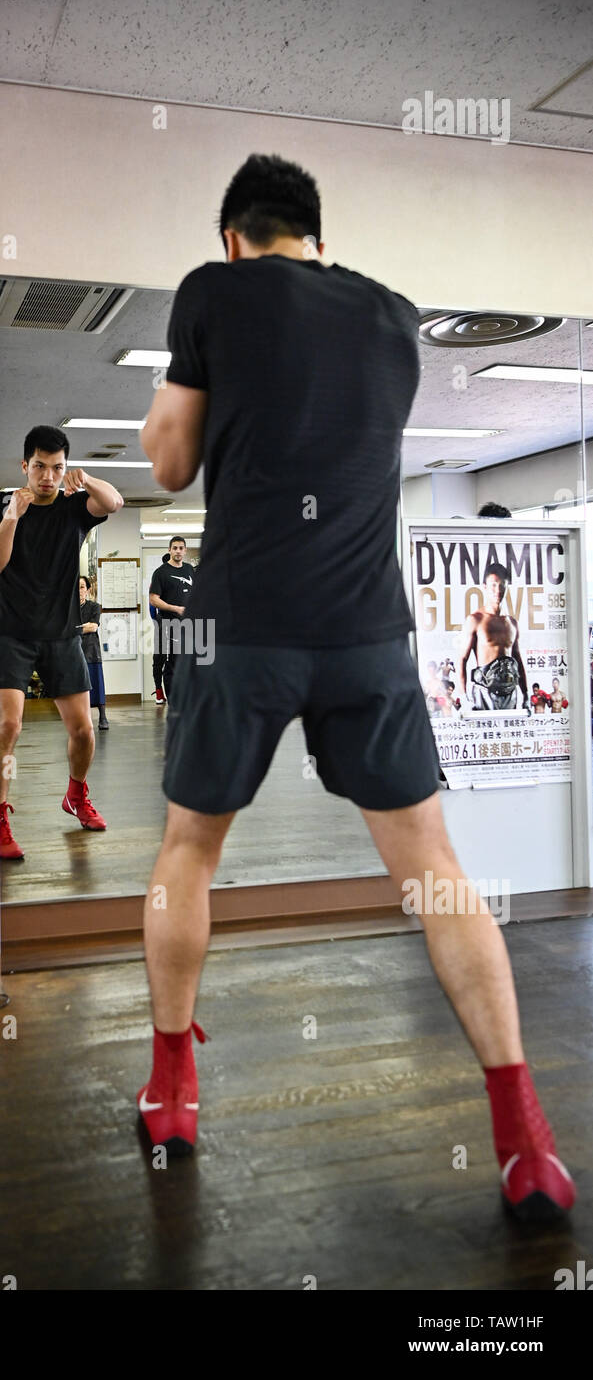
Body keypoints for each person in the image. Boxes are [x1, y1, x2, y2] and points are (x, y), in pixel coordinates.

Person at [135, 152, 574, 1219]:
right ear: (318, 237)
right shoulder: (392, 315)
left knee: (190, 849)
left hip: (241, 625)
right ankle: (523, 1140)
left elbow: (168, 463)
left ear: (232, 236)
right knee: (433, 867)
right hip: (367, 630)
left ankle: (172, 1089)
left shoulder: (210, 288)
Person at [0, 425, 123, 860]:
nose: (47, 476)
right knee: (8, 726)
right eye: (39, 467)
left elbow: (115, 502)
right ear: (25, 466)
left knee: (84, 732)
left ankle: (76, 795)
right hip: (11, 633)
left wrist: (86, 481)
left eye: (57, 468)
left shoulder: (74, 508)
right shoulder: (4, 505)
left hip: (61, 634)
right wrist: (12, 517)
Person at [458, 565, 528, 712]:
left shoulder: (512, 622)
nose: (498, 590)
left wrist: (526, 694)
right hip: (484, 692)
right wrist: (464, 697)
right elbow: (461, 659)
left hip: (510, 693)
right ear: (485, 587)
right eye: (494, 585)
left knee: (510, 734)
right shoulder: (475, 620)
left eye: (502, 585)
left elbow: (518, 660)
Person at [149, 537, 196, 703]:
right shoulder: (161, 572)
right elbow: (153, 599)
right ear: (170, 550)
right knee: (172, 662)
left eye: (181, 548)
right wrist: (175, 608)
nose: (178, 551)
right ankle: (172, 700)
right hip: (168, 623)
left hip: (188, 625)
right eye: (174, 548)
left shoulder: (190, 570)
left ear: (185, 550)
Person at [78, 575, 109, 730]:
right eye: (76, 587)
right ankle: (83, 719)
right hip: (74, 651)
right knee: (78, 687)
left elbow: (93, 627)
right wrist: (83, 627)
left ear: (88, 590)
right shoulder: (69, 609)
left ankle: (103, 717)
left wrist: (75, 629)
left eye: (82, 587)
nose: (79, 591)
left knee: (96, 682)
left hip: (91, 649)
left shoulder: (94, 607)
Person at [150, 553, 171, 703]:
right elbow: (152, 604)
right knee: (162, 659)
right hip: (166, 621)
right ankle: (159, 692)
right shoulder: (161, 576)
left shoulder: (158, 577)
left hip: (164, 621)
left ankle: (160, 692)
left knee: (161, 659)